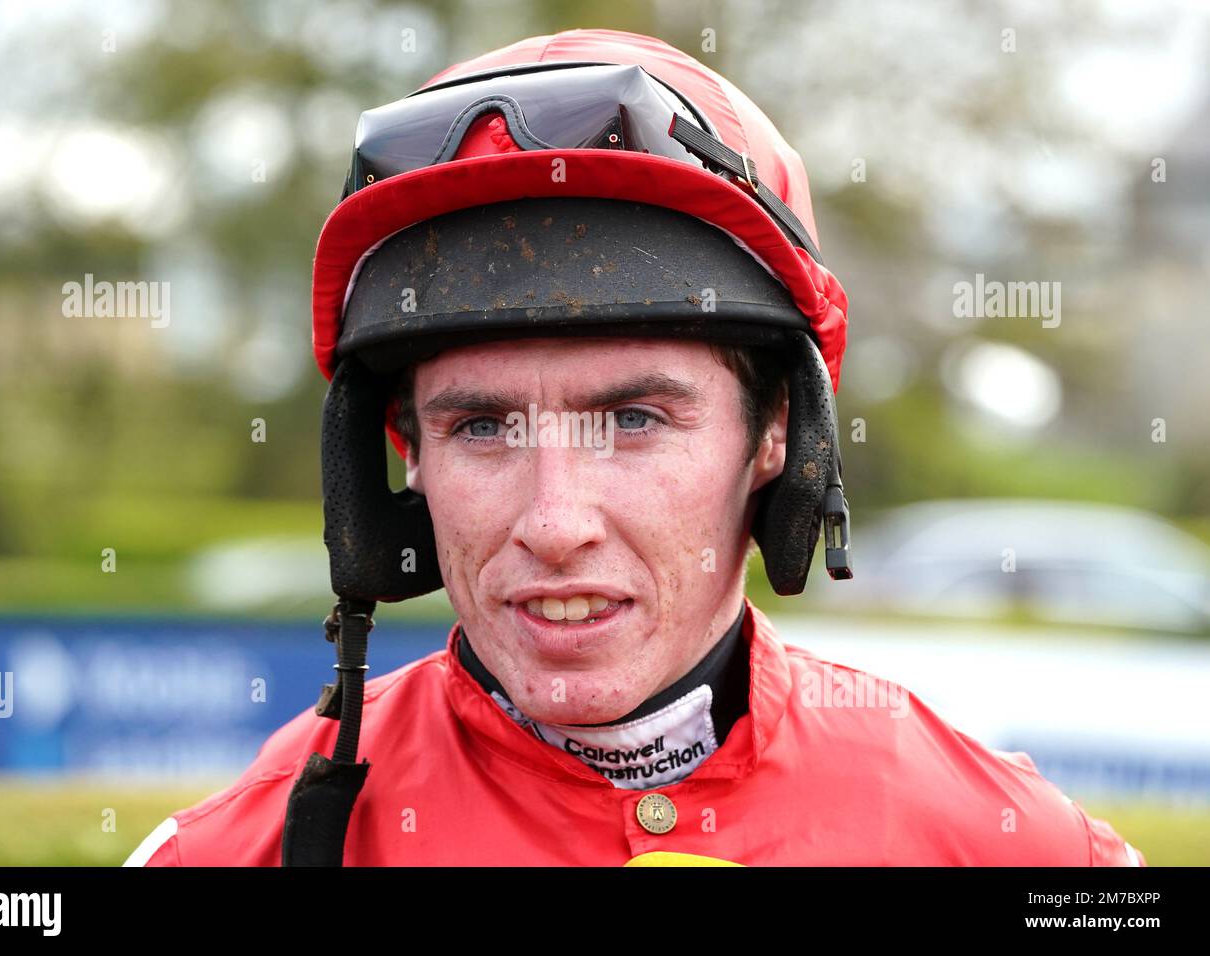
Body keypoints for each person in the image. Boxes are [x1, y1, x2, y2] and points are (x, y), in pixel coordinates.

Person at [125, 28, 1144, 867]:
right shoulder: (234, 850)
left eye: (632, 419)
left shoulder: (1014, 846)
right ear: (404, 464)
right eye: (481, 426)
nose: (554, 522)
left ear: (777, 435)